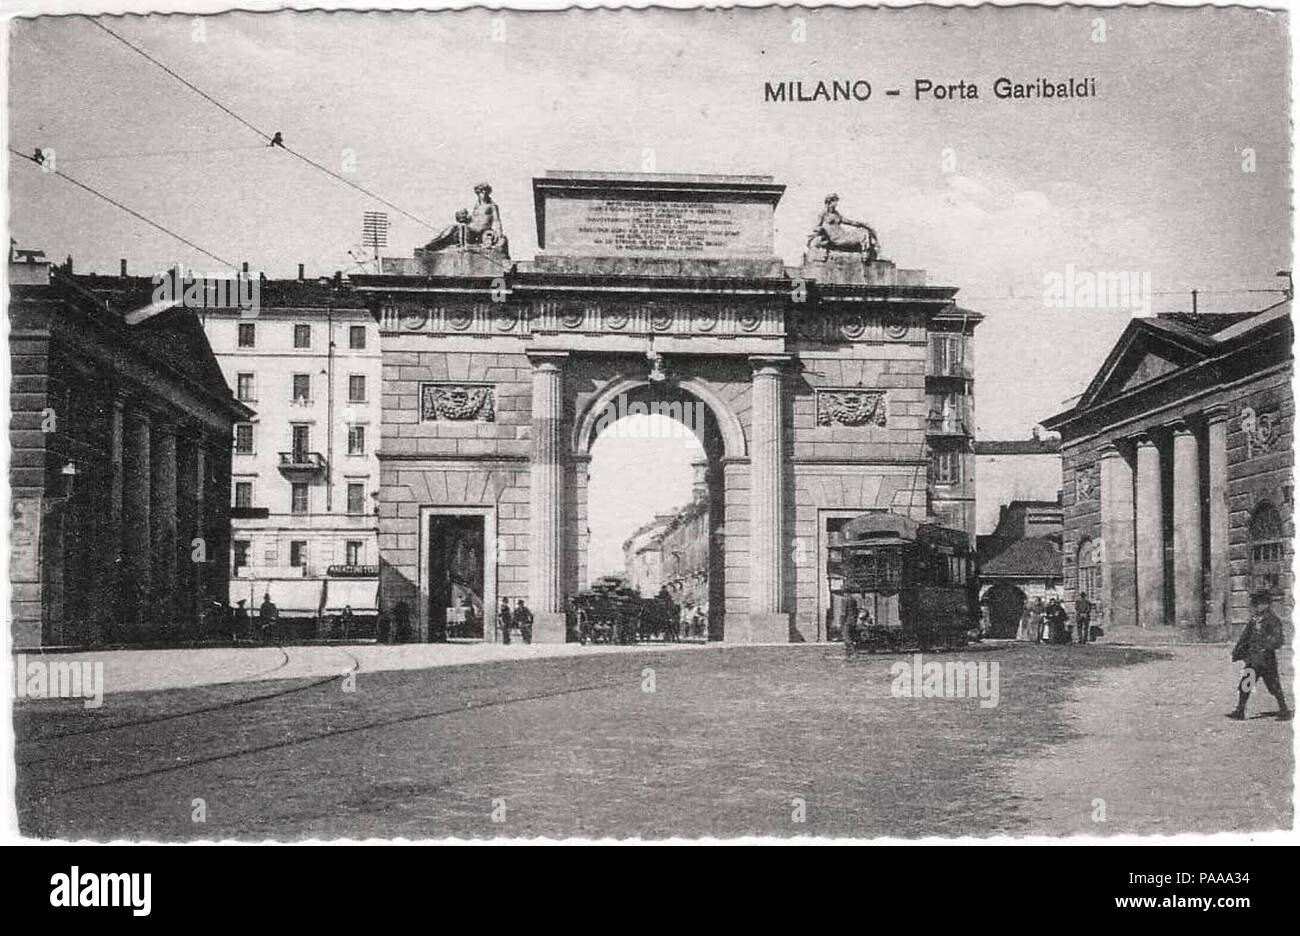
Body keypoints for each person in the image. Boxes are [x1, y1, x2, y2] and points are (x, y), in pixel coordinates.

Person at [1229, 592, 1292, 720]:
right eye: (1256, 604)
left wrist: (1266, 647)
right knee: (1245, 684)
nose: (1257, 607)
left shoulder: (1272, 619)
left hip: (1266, 660)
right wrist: (1238, 650)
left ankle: (1284, 710)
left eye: (1259, 604)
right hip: (1253, 659)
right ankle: (1240, 711)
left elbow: (1278, 638)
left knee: (1274, 686)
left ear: (1266, 605)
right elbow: (1245, 637)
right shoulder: (1254, 619)